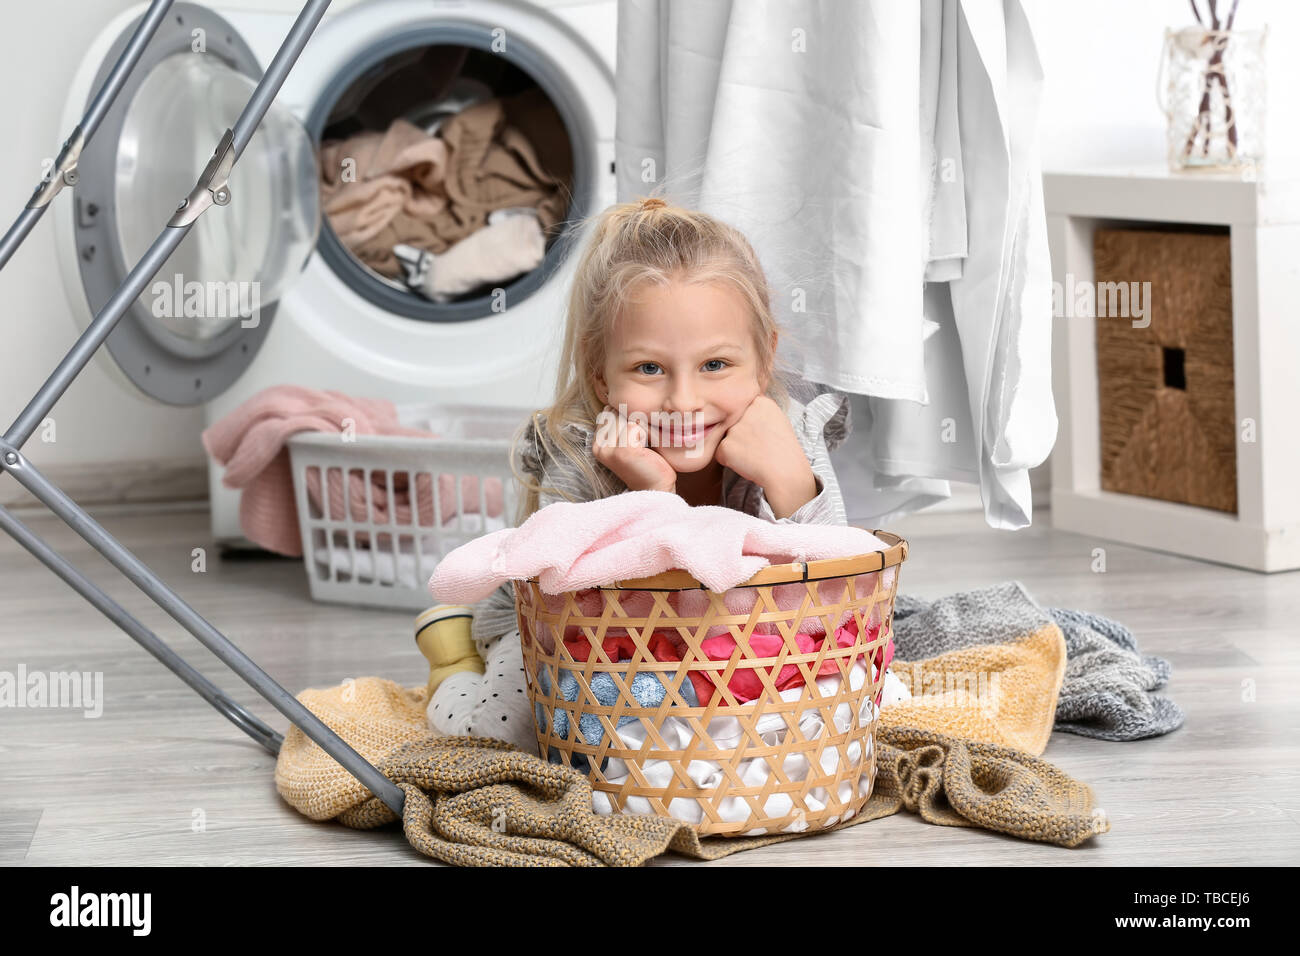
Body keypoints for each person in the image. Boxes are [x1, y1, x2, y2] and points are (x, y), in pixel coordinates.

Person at [421, 195, 861, 748]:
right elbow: (576, 618)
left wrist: (793, 483)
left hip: (734, 638)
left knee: (849, 696)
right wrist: (651, 497)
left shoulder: (787, 431)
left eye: (715, 365)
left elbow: (842, 593)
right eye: (648, 368)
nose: (684, 399)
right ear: (602, 377)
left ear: (765, 356)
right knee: (518, 729)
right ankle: (451, 658)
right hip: (573, 638)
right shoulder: (579, 450)